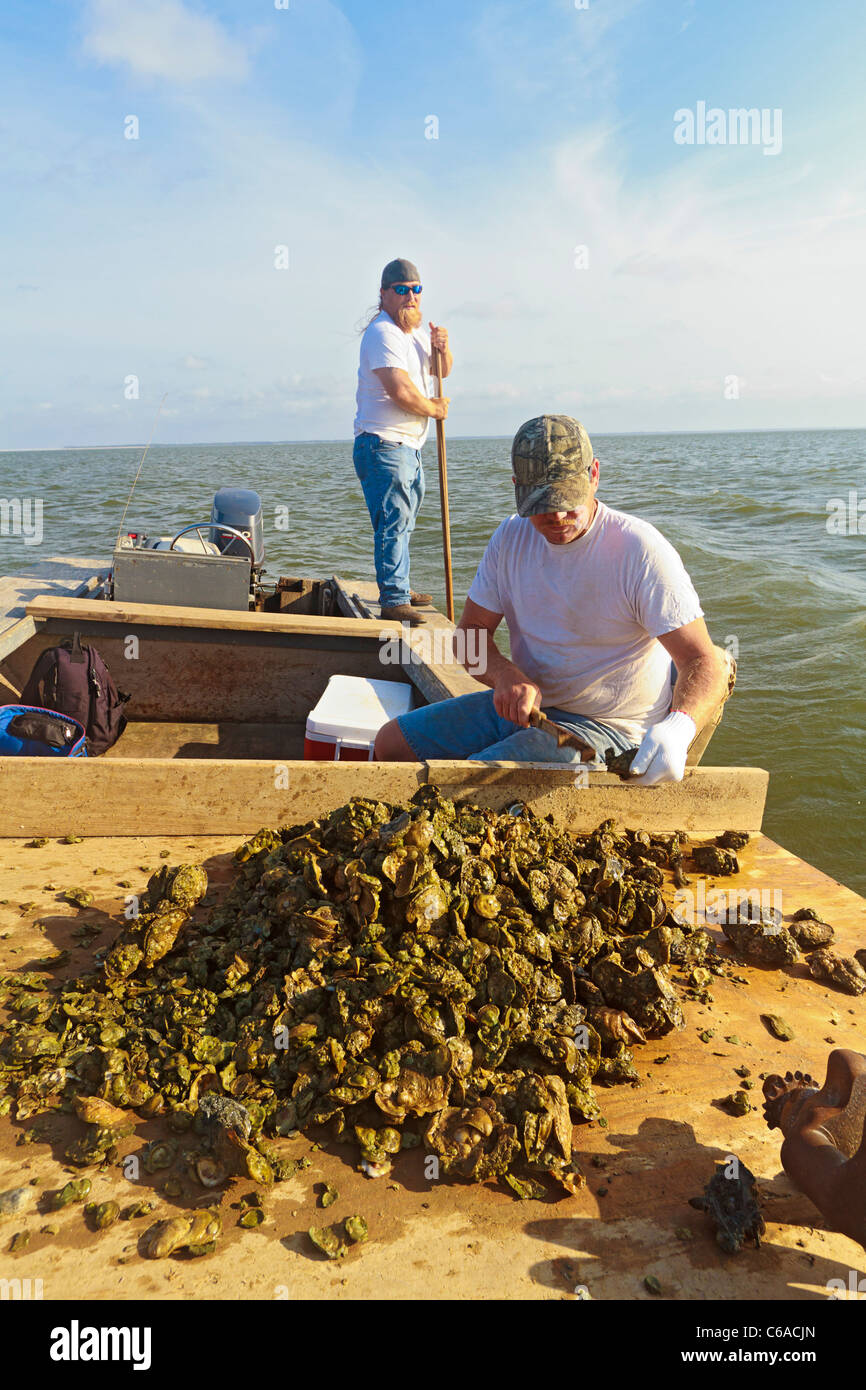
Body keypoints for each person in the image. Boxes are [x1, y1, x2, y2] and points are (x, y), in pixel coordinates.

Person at [375, 414, 730, 783]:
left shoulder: (639, 550)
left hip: (608, 730)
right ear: (517, 488)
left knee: (464, 784)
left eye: (568, 499)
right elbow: (470, 634)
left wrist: (678, 726)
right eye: (542, 504)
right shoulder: (509, 539)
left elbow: (704, 661)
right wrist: (505, 675)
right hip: (529, 711)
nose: (558, 516)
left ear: (594, 474)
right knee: (390, 745)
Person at [353, 258, 453, 626]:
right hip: (383, 443)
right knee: (395, 519)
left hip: (406, 446)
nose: (411, 296)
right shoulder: (383, 333)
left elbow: (439, 371)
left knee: (403, 520)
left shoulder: (413, 336)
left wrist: (442, 348)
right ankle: (394, 598)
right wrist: (434, 410)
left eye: (416, 289)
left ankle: (399, 584)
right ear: (384, 295)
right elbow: (399, 390)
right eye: (402, 290)